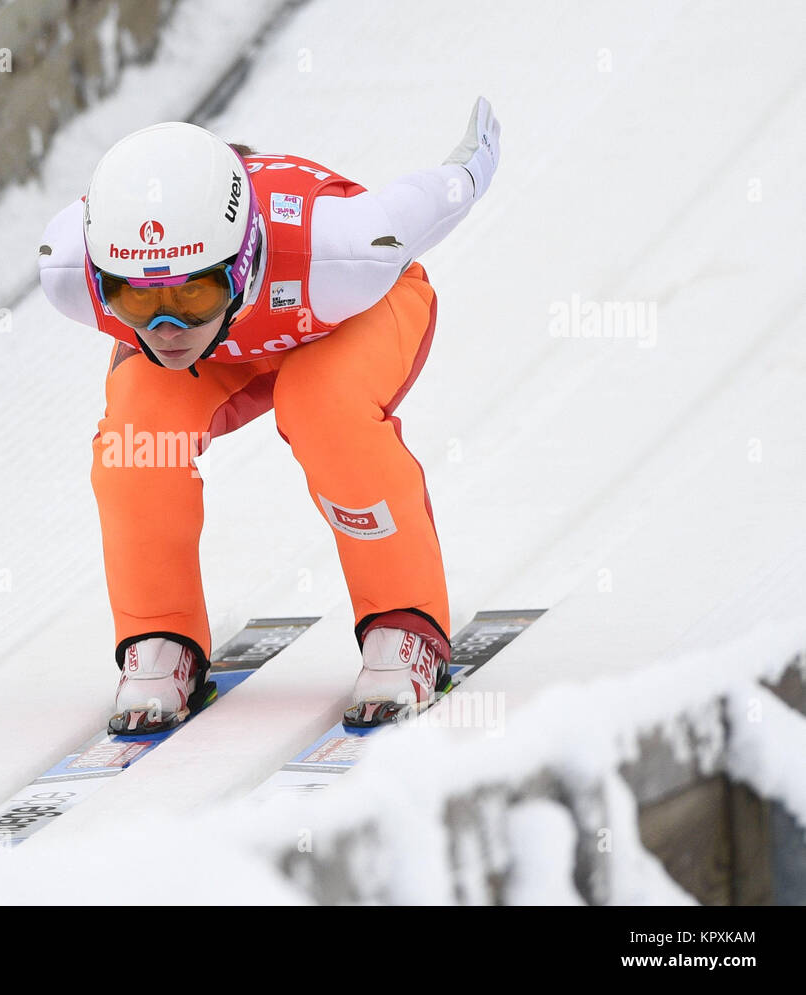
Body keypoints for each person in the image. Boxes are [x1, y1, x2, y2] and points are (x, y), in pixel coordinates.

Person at [37, 98, 502, 733]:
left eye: (193, 291)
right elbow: (164, 320)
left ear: (247, 257)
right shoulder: (71, 270)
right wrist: (190, 312)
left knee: (323, 407)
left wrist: (472, 162)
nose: (167, 327)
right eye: (134, 298)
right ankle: (161, 636)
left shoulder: (345, 248)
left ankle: (404, 620)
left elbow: (435, 196)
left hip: (346, 313)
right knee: (135, 441)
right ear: (99, 278)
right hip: (228, 342)